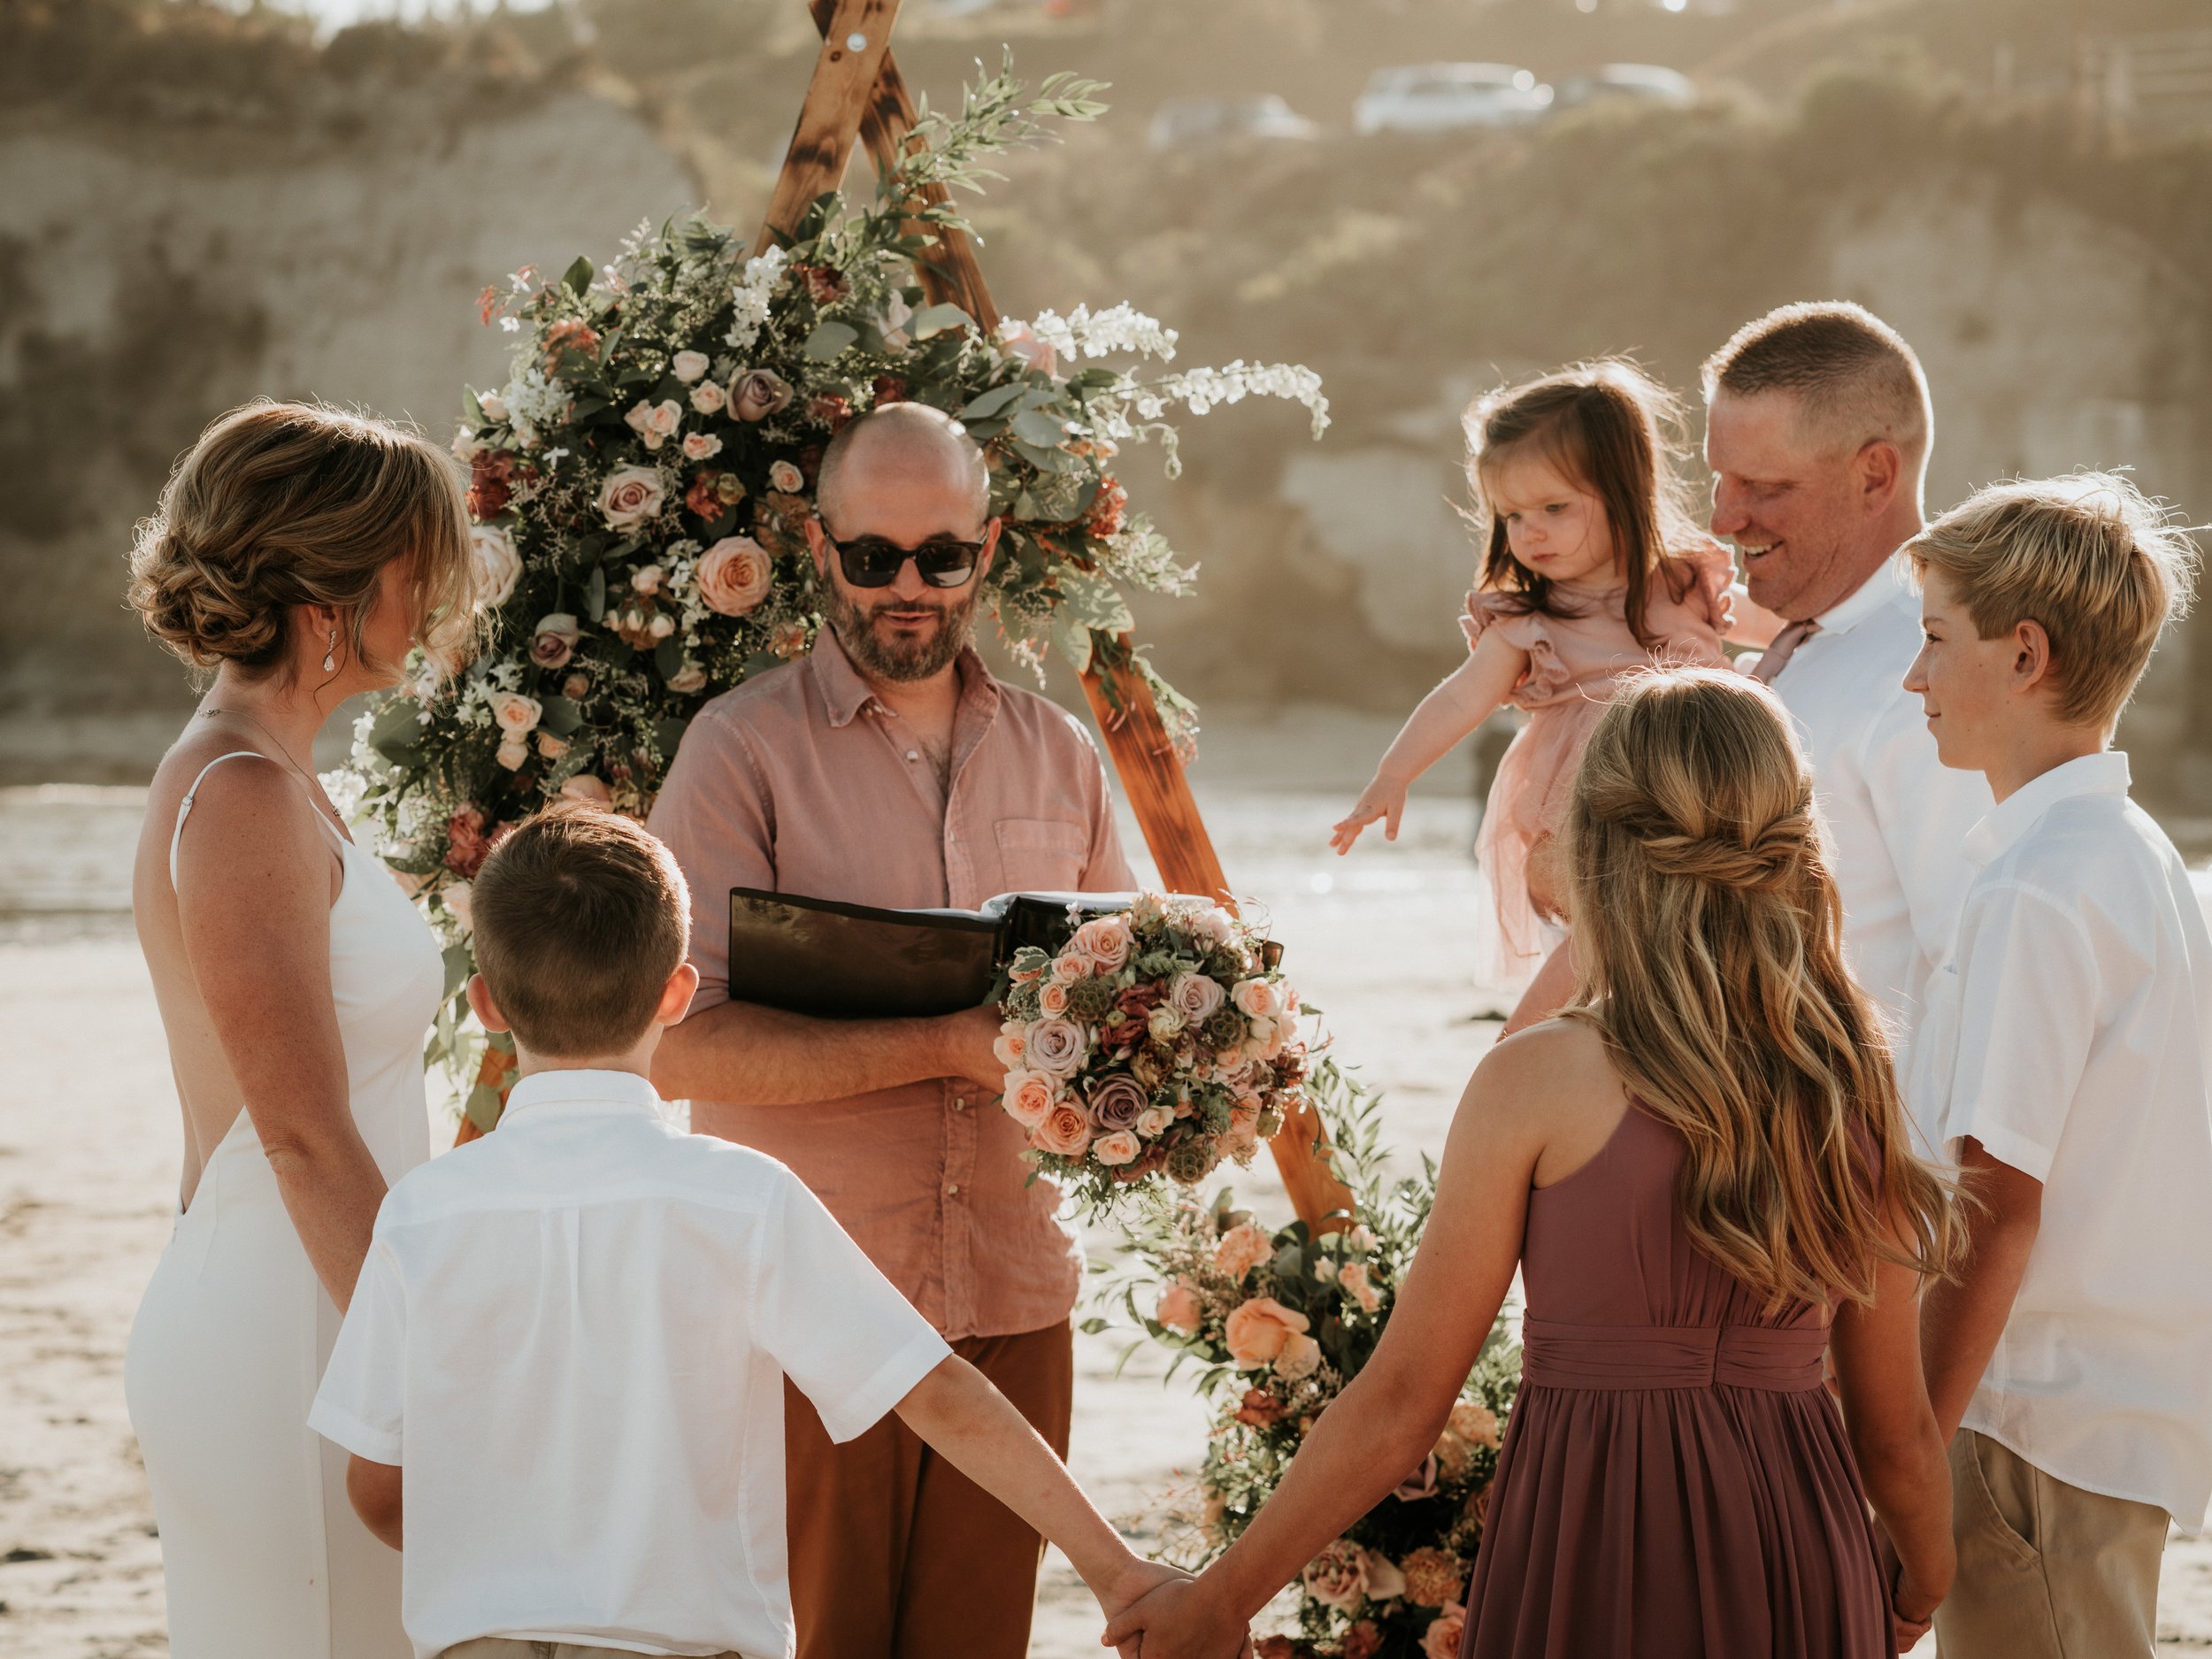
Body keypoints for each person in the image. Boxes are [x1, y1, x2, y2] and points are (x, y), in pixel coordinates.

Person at [1111, 669, 1962, 1659]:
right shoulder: (1847, 1075)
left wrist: (1224, 1598)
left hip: (1595, 1539)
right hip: (1799, 1544)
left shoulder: (1533, 1078)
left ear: (1598, 847)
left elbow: (1403, 1402)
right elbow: (1895, 1436)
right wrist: (1919, 1581)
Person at [307, 807, 1178, 1659]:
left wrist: (512, 1564)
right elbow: (933, 1392)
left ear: (486, 1005)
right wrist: (1122, 1576)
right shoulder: (743, 1199)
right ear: (678, 993)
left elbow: (378, 1488)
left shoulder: (421, 1213)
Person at [645, 401, 1136, 1659]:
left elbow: (1126, 998)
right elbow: (675, 1044)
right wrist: (949, 1042)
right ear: (820, 547)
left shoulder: (1062, 755)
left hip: (1014, 1295)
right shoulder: (737, 751)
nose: (907, 588)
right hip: (804, 1312)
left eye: (941, 555)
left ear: (988, 547)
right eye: (873, 556)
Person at [121, 400, 480, 1658]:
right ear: (332, 599)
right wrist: (432, 1366)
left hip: (316, 1303)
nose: (429, 600)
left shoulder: (276, 779)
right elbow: (302, 1136)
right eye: (414, 569)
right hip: (294, 1332)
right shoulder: (240, 795)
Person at [1901, 474, 2212, 1658]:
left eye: (1936, 639)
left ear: (2025, 653)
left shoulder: (2038, 887)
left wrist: (1908, 1454)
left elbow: (1995, 1201)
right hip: (2098, 1416)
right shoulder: (2130, 852)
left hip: (2030, 1425)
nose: (1914, 677)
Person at [1330, 361, 1775, 1031]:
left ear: (1623, 489)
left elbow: (1792, 625)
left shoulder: (1685, 583)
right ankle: (1526, 1044)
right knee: (1604, 940)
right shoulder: (1530, 621)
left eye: (1554, 508)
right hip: (1588, 815)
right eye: (1511, 515)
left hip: (1697, 798)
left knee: (1682, 956)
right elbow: (1460, 699)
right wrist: (1395, 773)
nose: (1529, 531)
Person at [1702, 303, 1992, 1084]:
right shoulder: (1807, 645)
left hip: (1867, 1147)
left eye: (1763, 486)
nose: (1724, 517)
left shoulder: (1928, 675)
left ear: (1874, 475)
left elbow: (1979, 977)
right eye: (1720, 477)